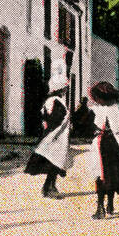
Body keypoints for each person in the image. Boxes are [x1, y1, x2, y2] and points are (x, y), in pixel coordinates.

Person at [24, 60, 72, 198]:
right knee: (54, 162)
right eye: (65, 88)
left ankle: (50, 186)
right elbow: (54, 119)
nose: (66, 90)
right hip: (55, 137)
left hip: (56, 136)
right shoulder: (55, 101)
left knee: (56, 162)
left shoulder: (51, 100)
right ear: (60, 88)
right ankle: (48, 188)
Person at [89, 81, 119, 219]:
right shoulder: (116, 107)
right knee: (111, 173)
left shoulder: (98, 109)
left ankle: (101, 206)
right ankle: (109, 205)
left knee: (101, 175)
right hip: (114, 143)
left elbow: (96, 126)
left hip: (104, 143)